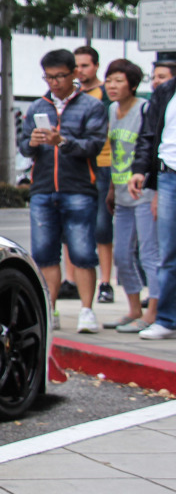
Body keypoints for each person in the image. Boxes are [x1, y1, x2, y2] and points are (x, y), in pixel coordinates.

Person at [19, 49, 108, 332]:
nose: (54, 82)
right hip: (43, 188)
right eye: (49, 77)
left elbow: (94, 145)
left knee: (82, 252)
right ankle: (50, 309)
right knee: (44, 253)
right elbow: (23, 146)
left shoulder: (91, 106)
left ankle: (86, 311)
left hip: (78, 187)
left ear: (74, 74)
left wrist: (62, 141)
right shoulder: (37, 107)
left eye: (60, 76)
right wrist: (32, 142)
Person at [104, 59, 160, 333]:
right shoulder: (112, 110)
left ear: (133, 84)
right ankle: (134, 309)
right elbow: (115, 153)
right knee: (122, 255)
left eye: (119, 81)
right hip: (121, 192)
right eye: (109, 80)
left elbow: (151, 149)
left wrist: (156, 189)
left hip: (144, 191)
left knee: (149, 254)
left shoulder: (145, 109)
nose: (112, 86)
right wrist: (112, 189)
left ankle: (154, 313)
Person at [127, 66, 176, 340]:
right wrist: (140, 170)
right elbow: (148, 134)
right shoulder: (167, 91)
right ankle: (167, 320)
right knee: (168, 253)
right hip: (169, 175)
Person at [75, 46, 114, 305]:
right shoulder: (71, 95)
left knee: (102, 227)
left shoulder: (105, 94)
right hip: (78, 164)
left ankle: (105, 282)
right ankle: (71, 280)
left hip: (104, 163)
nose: (80, 71)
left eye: (85, 65)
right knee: (73, 224)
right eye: (76, 66)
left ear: (96, 66)